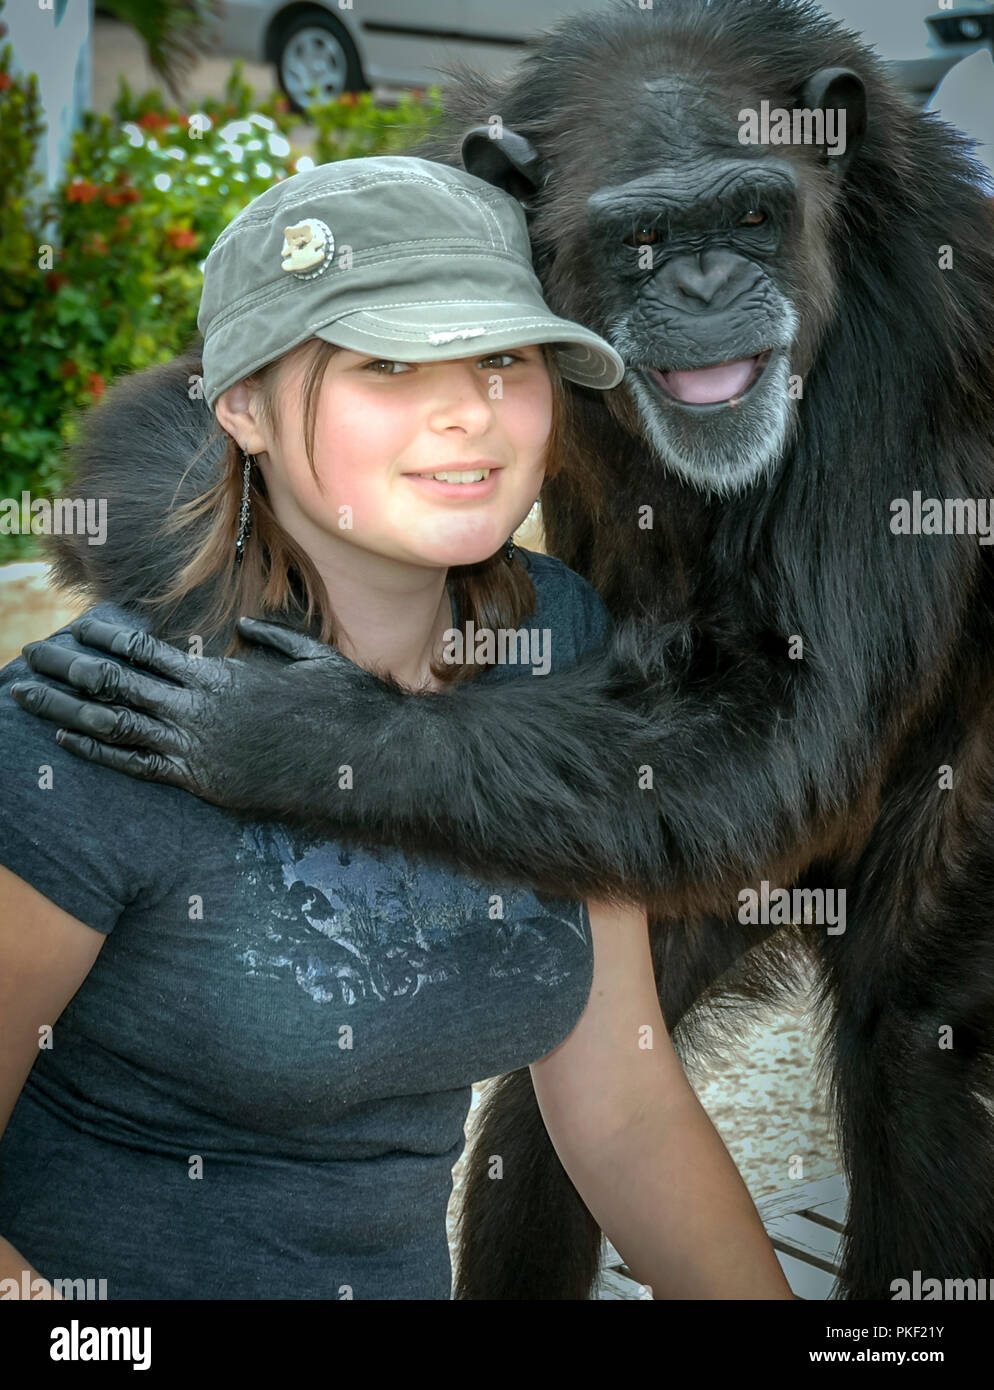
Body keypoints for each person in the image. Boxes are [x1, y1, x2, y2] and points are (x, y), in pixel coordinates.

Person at [3, 156, 795, 1300]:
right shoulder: (102, 717)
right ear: (241, 405)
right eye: (386, 363)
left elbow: (620, 1099)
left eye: (501, 359)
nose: (468, 411)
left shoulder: (555, 636)